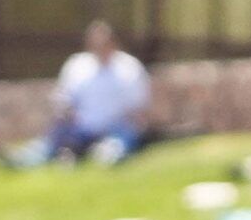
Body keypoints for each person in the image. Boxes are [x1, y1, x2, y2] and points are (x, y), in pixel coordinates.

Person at [10, 21, 149, 167]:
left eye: (103, 43)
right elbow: (64, 99)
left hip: (115, 127)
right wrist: (67, 114)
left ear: (113, 43)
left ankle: (109, 153)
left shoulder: (129, 68)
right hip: (82, 128)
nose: (99, 47)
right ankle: (23, 159)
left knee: (119, 141)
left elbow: (138, 109)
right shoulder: (77, 65)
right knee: (53, 140)